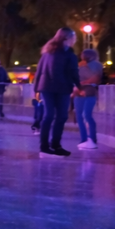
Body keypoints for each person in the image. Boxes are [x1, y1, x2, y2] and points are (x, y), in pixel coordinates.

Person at [34, 27, 79, 157]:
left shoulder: (49, 52)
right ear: (67, 37)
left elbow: (39, 71)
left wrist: (37, 88)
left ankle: (52, 145)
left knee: (57, 116)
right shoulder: (65, 53)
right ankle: (48, 146)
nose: (75, 39)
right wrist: (78, 86)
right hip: (57, 88)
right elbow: (72, 72)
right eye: (73, 36)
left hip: (49, 87)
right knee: (53, 116)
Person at [74, 48, 103, 150]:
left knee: (86, 114)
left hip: (88, 90)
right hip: (79, 91)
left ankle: (91, 139)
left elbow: (96, 78)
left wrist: (82, 83)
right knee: (80, 116)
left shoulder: (95, 64)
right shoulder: (81, 65)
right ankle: (84, 139)